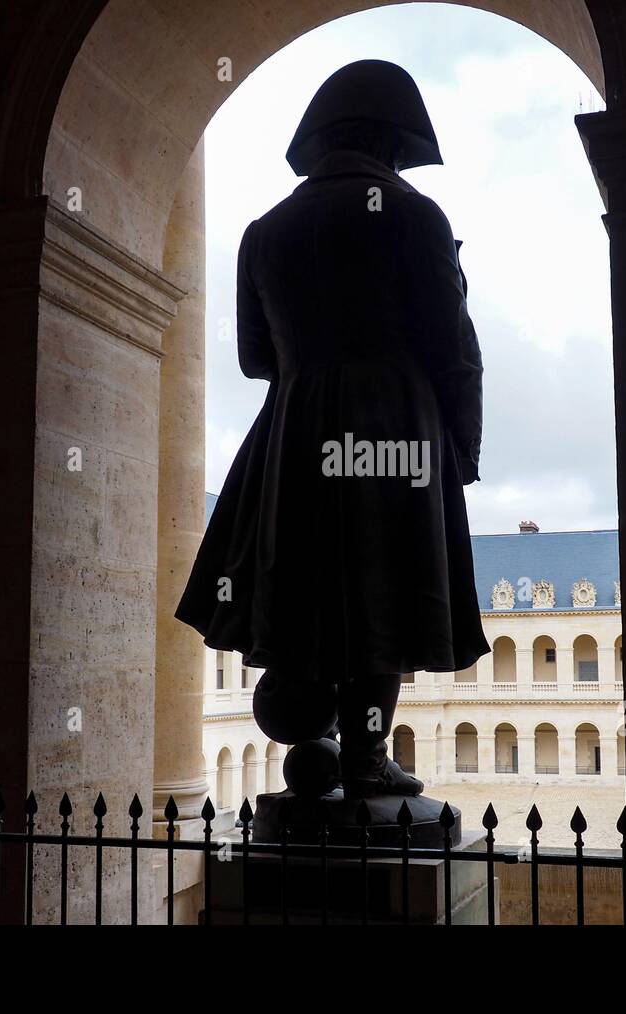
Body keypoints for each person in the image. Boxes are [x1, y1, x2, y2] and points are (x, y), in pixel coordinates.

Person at [176, 60, 488, 801]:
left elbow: (255, 358)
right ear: (389, 140)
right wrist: (461, 450)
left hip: (295, 425)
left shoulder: (264, 232)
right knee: (384, 581)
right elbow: (453, 351)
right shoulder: (416, 217)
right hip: (393, 419)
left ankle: (314, 742)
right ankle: (365, 757)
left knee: (306, 583)